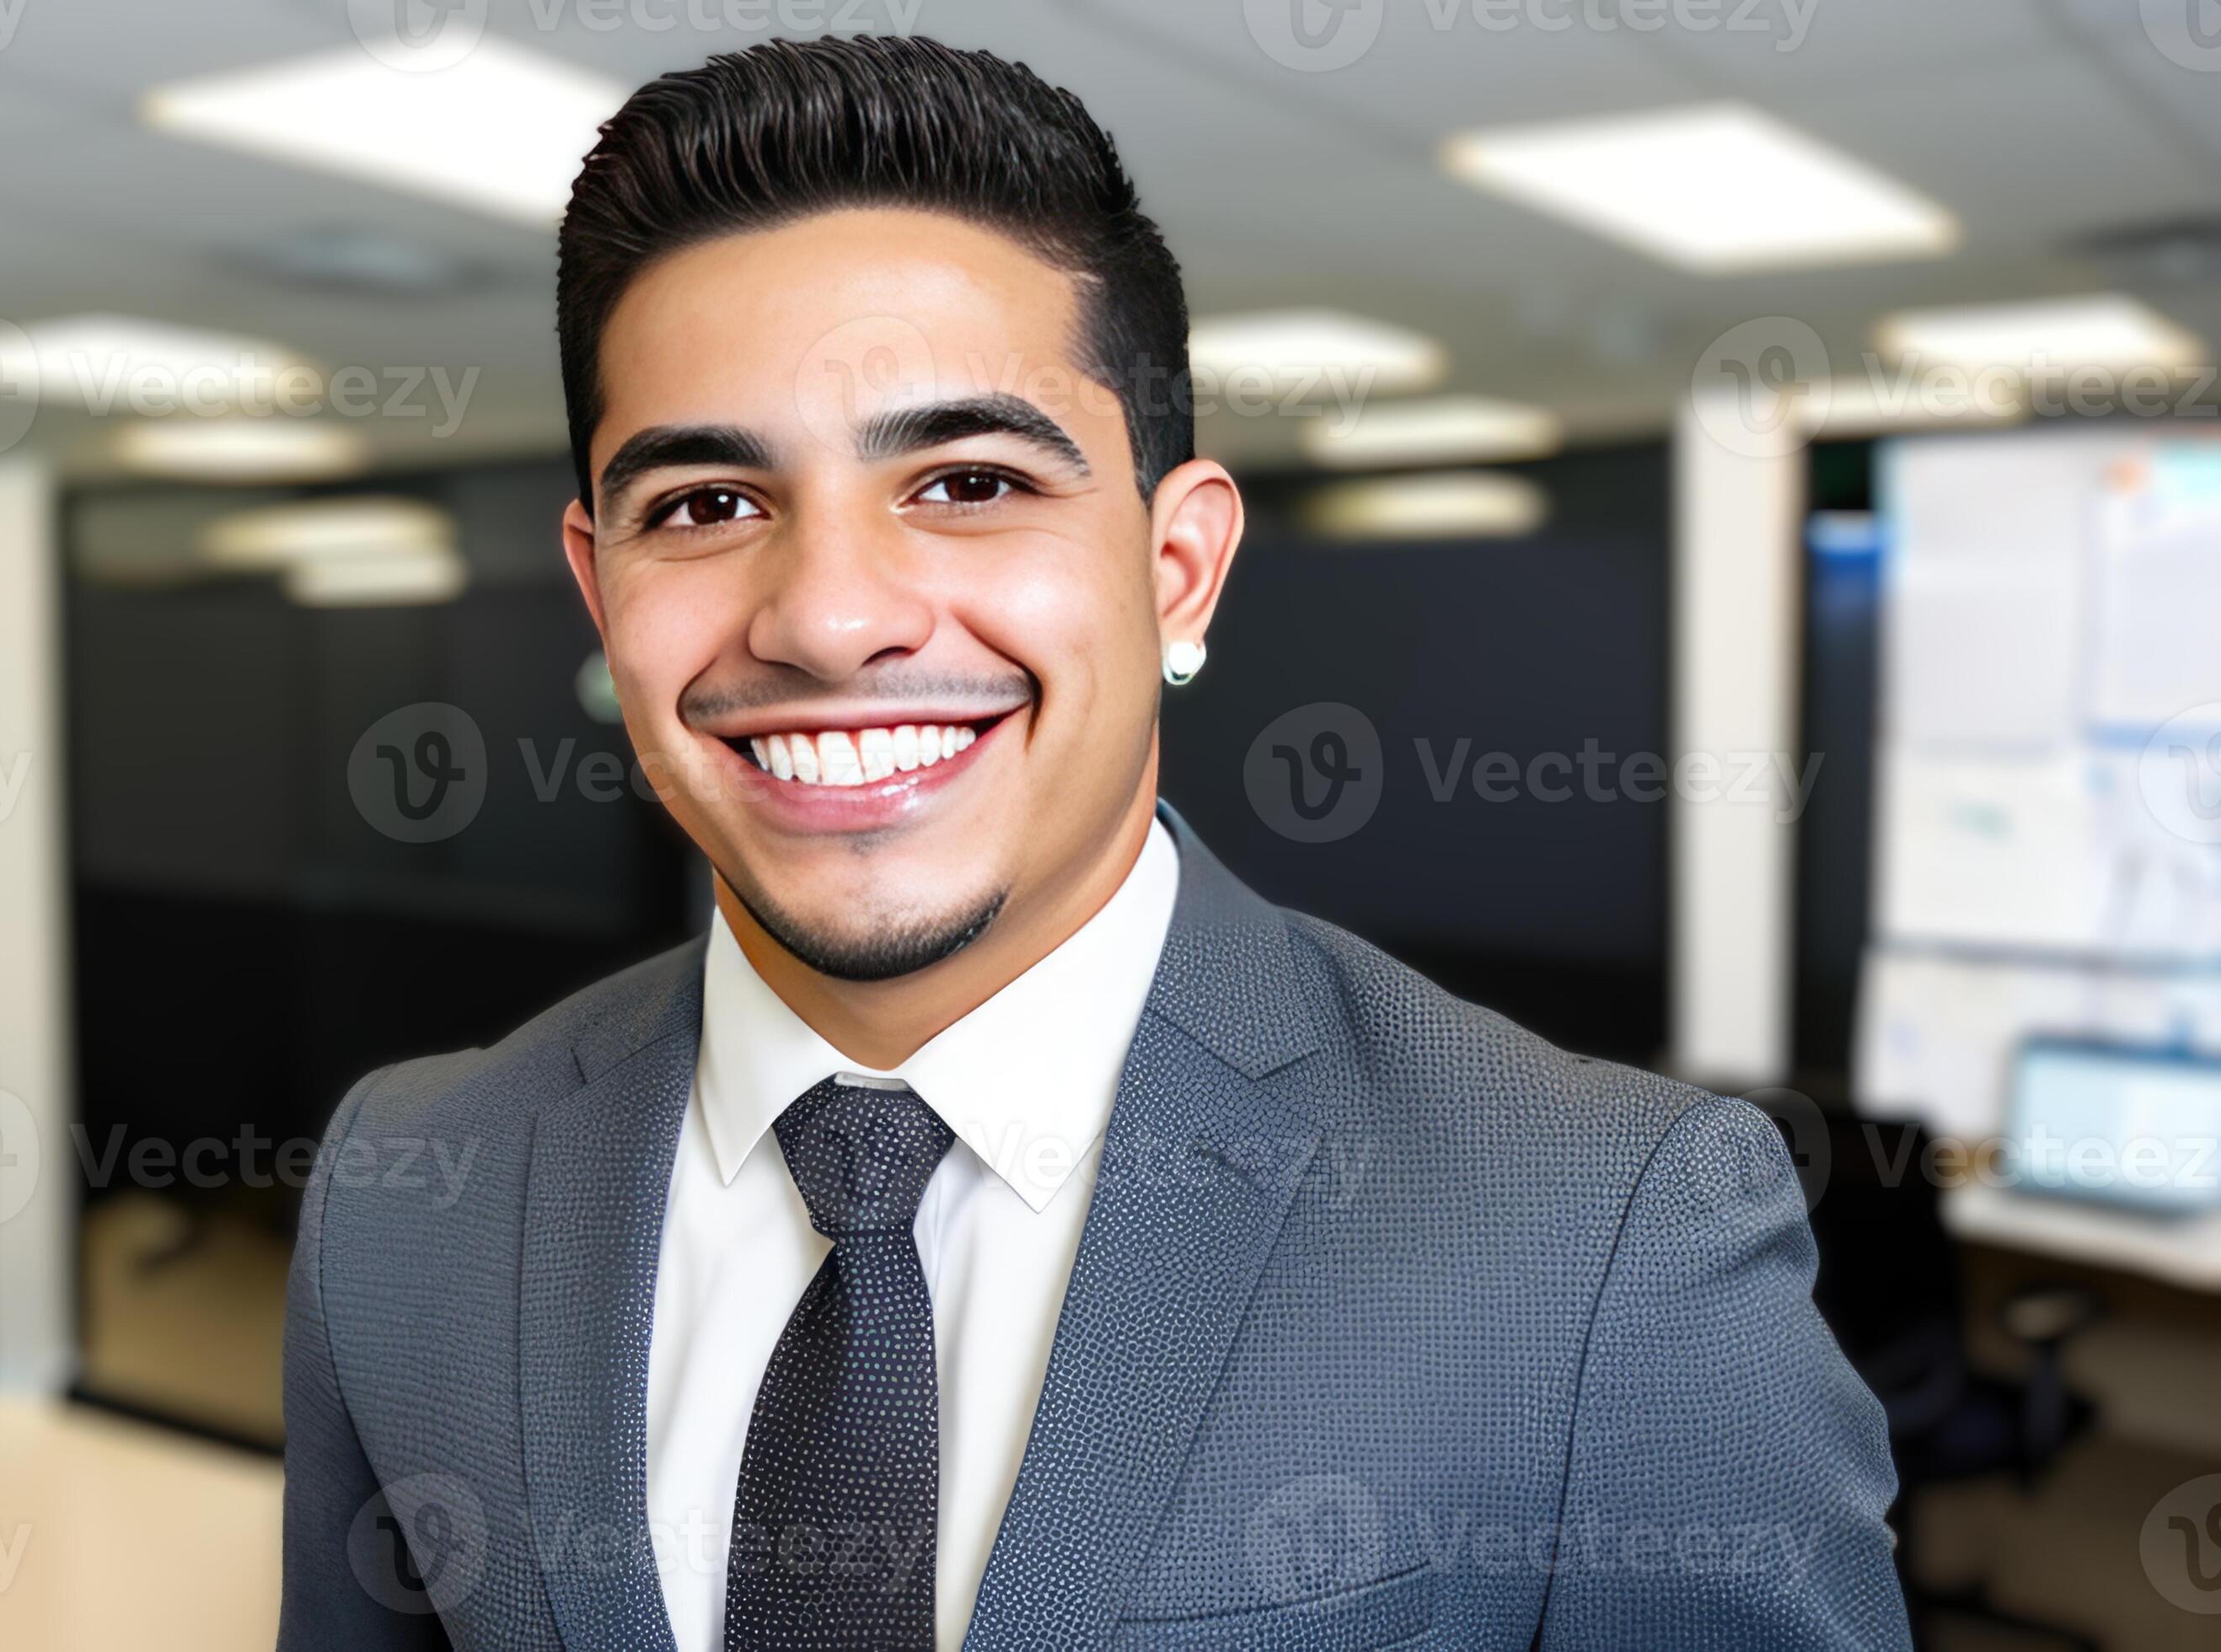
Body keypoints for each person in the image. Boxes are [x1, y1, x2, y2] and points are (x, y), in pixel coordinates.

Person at [278, 35, 1909, 1652]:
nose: (832, 620)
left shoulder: (1600, 1233)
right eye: (706, 505)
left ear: (1179, 568)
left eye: (969, 480)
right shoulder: (414, 1187)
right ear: (600, 588)